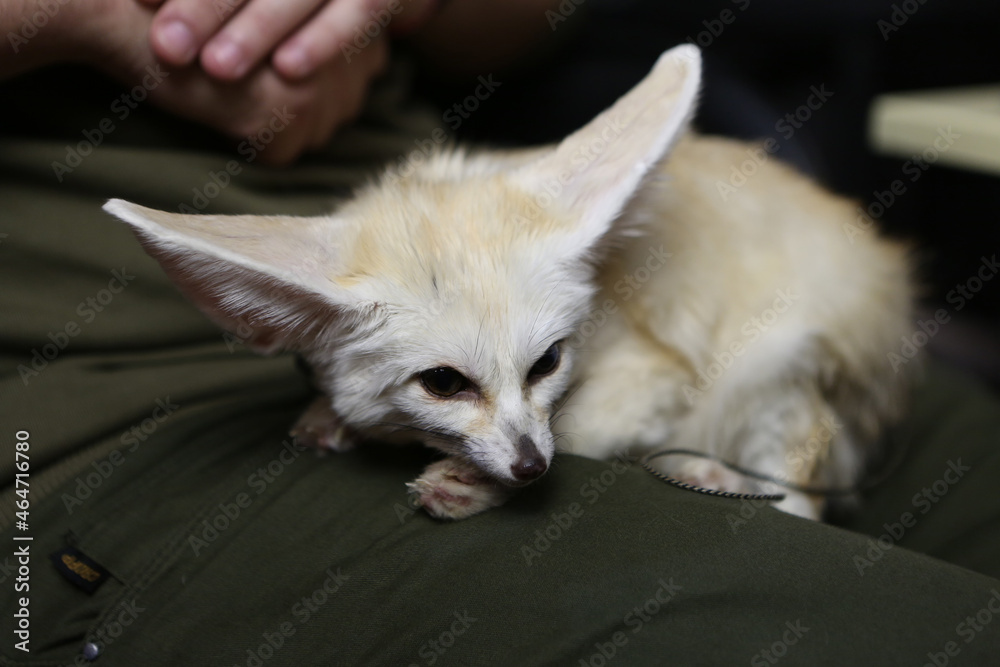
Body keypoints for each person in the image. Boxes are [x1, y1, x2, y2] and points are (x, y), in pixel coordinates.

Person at [2, 2, 999, 665]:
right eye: (452, 393)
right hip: (122, 423)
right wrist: (101, 23)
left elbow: (521, 30)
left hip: (492, 225)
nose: (523, 448)